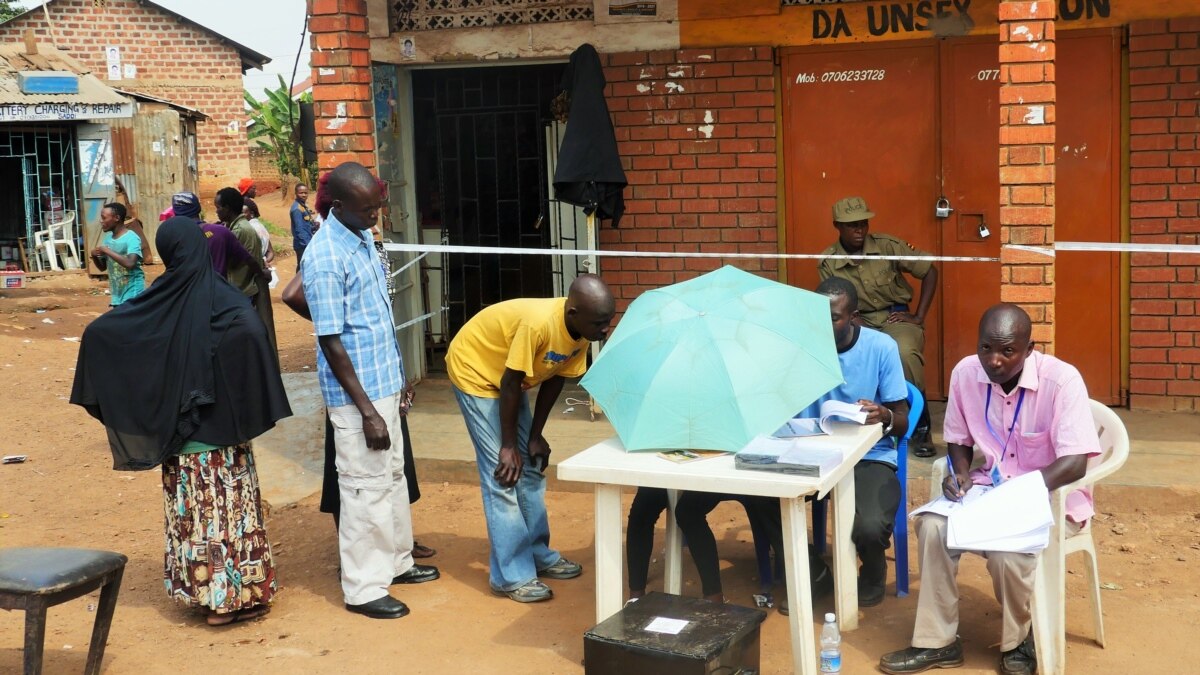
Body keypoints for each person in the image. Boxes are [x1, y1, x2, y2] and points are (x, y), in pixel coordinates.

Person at [70, 217, 291, 626]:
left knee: (196, 518)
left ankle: (206, 594)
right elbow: (251, 331)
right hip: (224, 439)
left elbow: (105, 333)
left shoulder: (158, 302)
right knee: (229, 514)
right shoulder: (220, 299)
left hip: (182, 443)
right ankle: (231, 600)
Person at [879, 304, 1100, 675]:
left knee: (1007, 554)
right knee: (933, 526)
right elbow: (958, 438)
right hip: (989, 490)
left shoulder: (1062, 381)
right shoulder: (966, 373)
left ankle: (1019, 642)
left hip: (1047, 495)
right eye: (986, 348)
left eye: (1007, 351)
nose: (993, 361)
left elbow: (1075, 462)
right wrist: (961, 473)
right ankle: (938, 643)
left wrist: (1019, 494)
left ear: (1029, 350)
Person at [302, 162, 439, 620]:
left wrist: (398, 385)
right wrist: (367, 412)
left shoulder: (361, 238)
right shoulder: (325, 256)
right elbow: (331, 339)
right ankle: (363, 588)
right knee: (364, 489)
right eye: (368, 210)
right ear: (337, 206)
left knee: (393, 479)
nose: (375, 217)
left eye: (378, 208)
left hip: (383, 386)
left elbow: (377, 322)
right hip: (357, 397)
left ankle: (397, 563)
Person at [446, 275, 614, 603]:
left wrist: (535, 436)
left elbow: (555, 379)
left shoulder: (582, 332)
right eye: (599, 323)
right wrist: (508, 447)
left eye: (608, 322)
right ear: (573, 311)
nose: (604, 329)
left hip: (511, 378)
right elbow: (509, 382)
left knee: (532, 467)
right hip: (477, 371)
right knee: (504, 473)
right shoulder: (539, 325)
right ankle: (511, 575)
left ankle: (538, 553)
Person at [793, 277, 909, 609]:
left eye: (833, 318)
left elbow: (902, 421)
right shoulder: (804, 349)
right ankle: (815, 573)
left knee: (870, 526)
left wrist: (883, 413)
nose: (823, 325)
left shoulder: (881, 348)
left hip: (869, 456)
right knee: (765, 501)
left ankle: (872, 573)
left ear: (854, 317)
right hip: (814, 452)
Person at [818, 196, 938, 456]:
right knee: (857, 354)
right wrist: (854, 323)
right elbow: (834, 307)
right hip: (858, 320)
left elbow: (930, 271)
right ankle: (868, 420)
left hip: (895, 318)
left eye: (863, 223)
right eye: (852, 225)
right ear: (838, 226)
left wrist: (919, 316)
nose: (860, 229)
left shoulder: (888, 245)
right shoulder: (829, 262)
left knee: (905, 353)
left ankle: (920, 426)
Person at [215, 187, 278, 360]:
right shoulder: (235, 228)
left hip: (242, 289)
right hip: (241, 288)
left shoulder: (240, 231)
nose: (216, 211)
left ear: (227, 208)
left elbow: (235, 261)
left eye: (218, 207)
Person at [89, 202, 145, 307]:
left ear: (117, 218)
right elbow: (102, 268)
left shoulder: (131, 238)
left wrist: (106, 251)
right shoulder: (108, 239)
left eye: (104, 218)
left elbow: (130, 263)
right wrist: (94, 256)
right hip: (117, 293)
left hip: (133, 290)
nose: (101, 221)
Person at [243, 198, 275, 267]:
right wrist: (264, 261)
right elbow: (271, 252)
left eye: (242, 213)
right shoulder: (261, 227)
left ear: (251, 214)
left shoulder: (248, 228)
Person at [290, 183, 316, 267]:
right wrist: (307, 246)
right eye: (301, 193)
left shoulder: (303, 206)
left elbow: (306, 224)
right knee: (302, 268)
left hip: (307, 241)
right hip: (302, 244)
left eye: (305, 193)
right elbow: (299, 230)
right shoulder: (296, 209)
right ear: (296, 193)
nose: (304, 195)